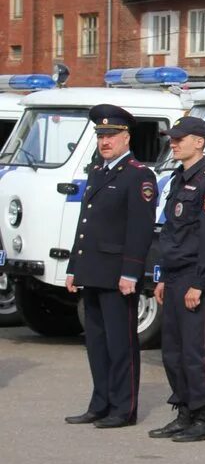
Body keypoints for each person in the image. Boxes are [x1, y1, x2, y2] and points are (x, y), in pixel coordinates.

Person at [63, 104, 157, 429]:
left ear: (126, 137)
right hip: (92, 270)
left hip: (118, 273)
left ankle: (123, 408)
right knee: (97, 343)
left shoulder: (138, 175)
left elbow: (140, 229)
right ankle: (99, 403)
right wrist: (74, 266)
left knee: (121, 344)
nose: (105, 141)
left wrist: (131, 272)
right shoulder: (98, 172)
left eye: (111, 135)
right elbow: (84, 224)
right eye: (100, 135)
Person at [148, 116, 205, 443]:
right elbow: (170, 232)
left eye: (180, 139)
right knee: (172, 349)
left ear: (199, 142)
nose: (174, 143)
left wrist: (199, 282)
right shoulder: (179, 179)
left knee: (193, 349)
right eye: (172, 139)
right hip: (175, 274)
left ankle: (204, 417)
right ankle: (183, 411)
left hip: (196, 275)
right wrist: (163, 277)